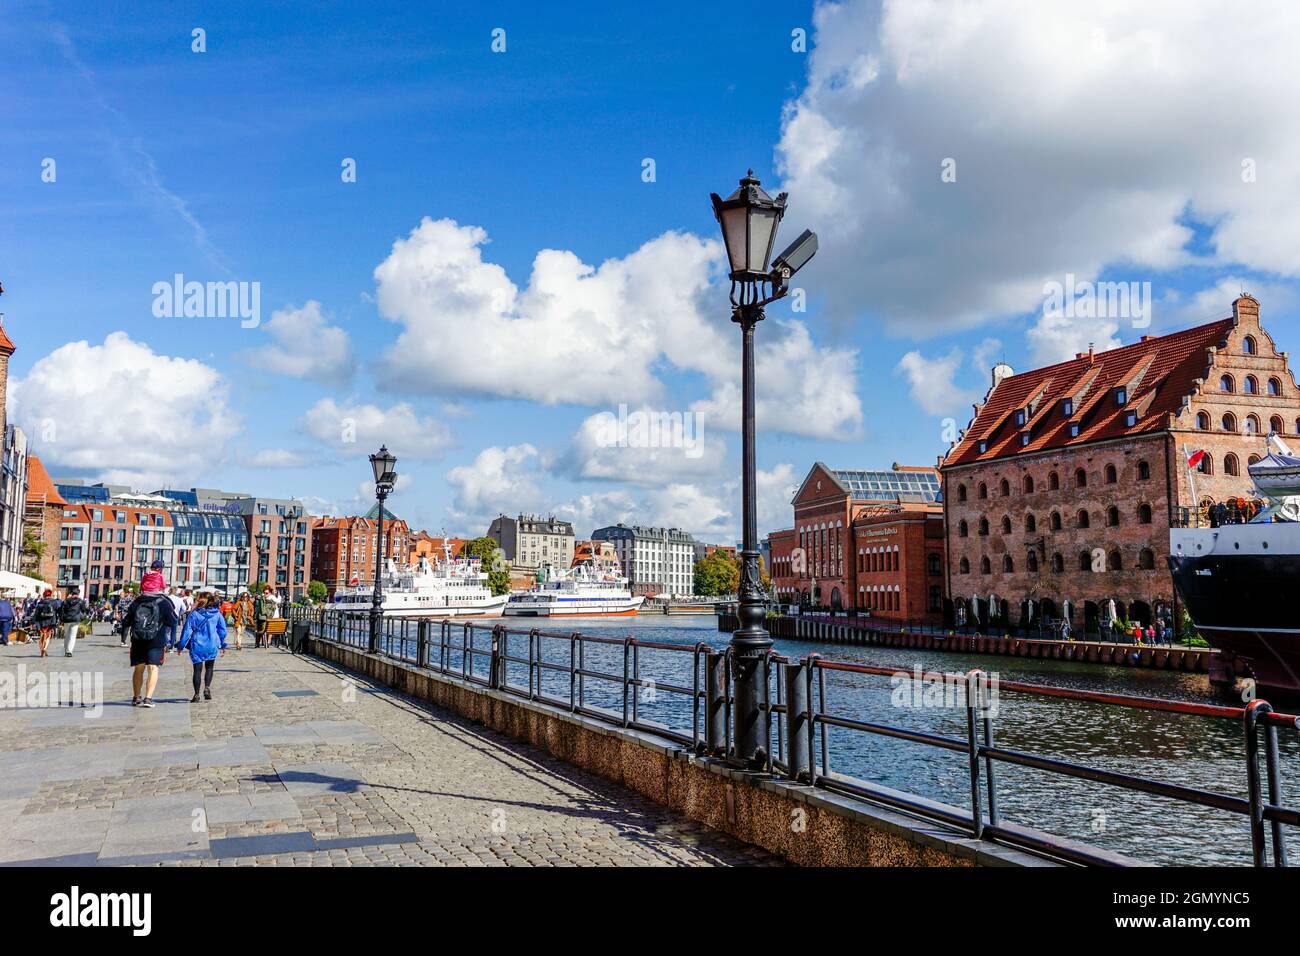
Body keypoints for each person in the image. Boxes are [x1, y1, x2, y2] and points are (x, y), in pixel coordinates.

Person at [121, 571, 179, 708]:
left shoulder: (137, 601)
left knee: (139, 668)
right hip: (156, 640)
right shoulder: (164, 602)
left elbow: (126, 622)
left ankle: (136, 697)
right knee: (153, 668)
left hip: (138, 639)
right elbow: (173, 621)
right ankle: (148, 698)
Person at [176, 592, 227, 702]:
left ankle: (196, 694)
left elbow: (186, 631)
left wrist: (180, 646)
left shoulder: (194, 614)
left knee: (197, 670)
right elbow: (222, 630)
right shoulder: (217, 614)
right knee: (209, 667)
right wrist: (222, 643)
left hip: (198, 645)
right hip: (212, 644)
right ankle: (207, 688)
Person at [58, 585, 89, 657]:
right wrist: (82, 618)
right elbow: (84, 610)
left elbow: (61, 610)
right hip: (75, 620)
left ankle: (66, 649)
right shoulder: (80, 601)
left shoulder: (66, 601)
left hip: (66, 620)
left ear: (71, 593)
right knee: (72, 636)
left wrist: (61, 619)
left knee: (66, 635)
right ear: (78, 594)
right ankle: (69, 651)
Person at [29, 588, 61, 658]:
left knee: (42, 636)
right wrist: (60, 619)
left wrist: (32, 622)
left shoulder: (40, 603)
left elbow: (36, 614)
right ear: (50, 594)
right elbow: (58, 611)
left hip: (41, 622)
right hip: (51, 621)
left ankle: (42, 650)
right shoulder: (54, 602)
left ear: (44, 595)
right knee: (48, 636)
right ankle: (44, 648)